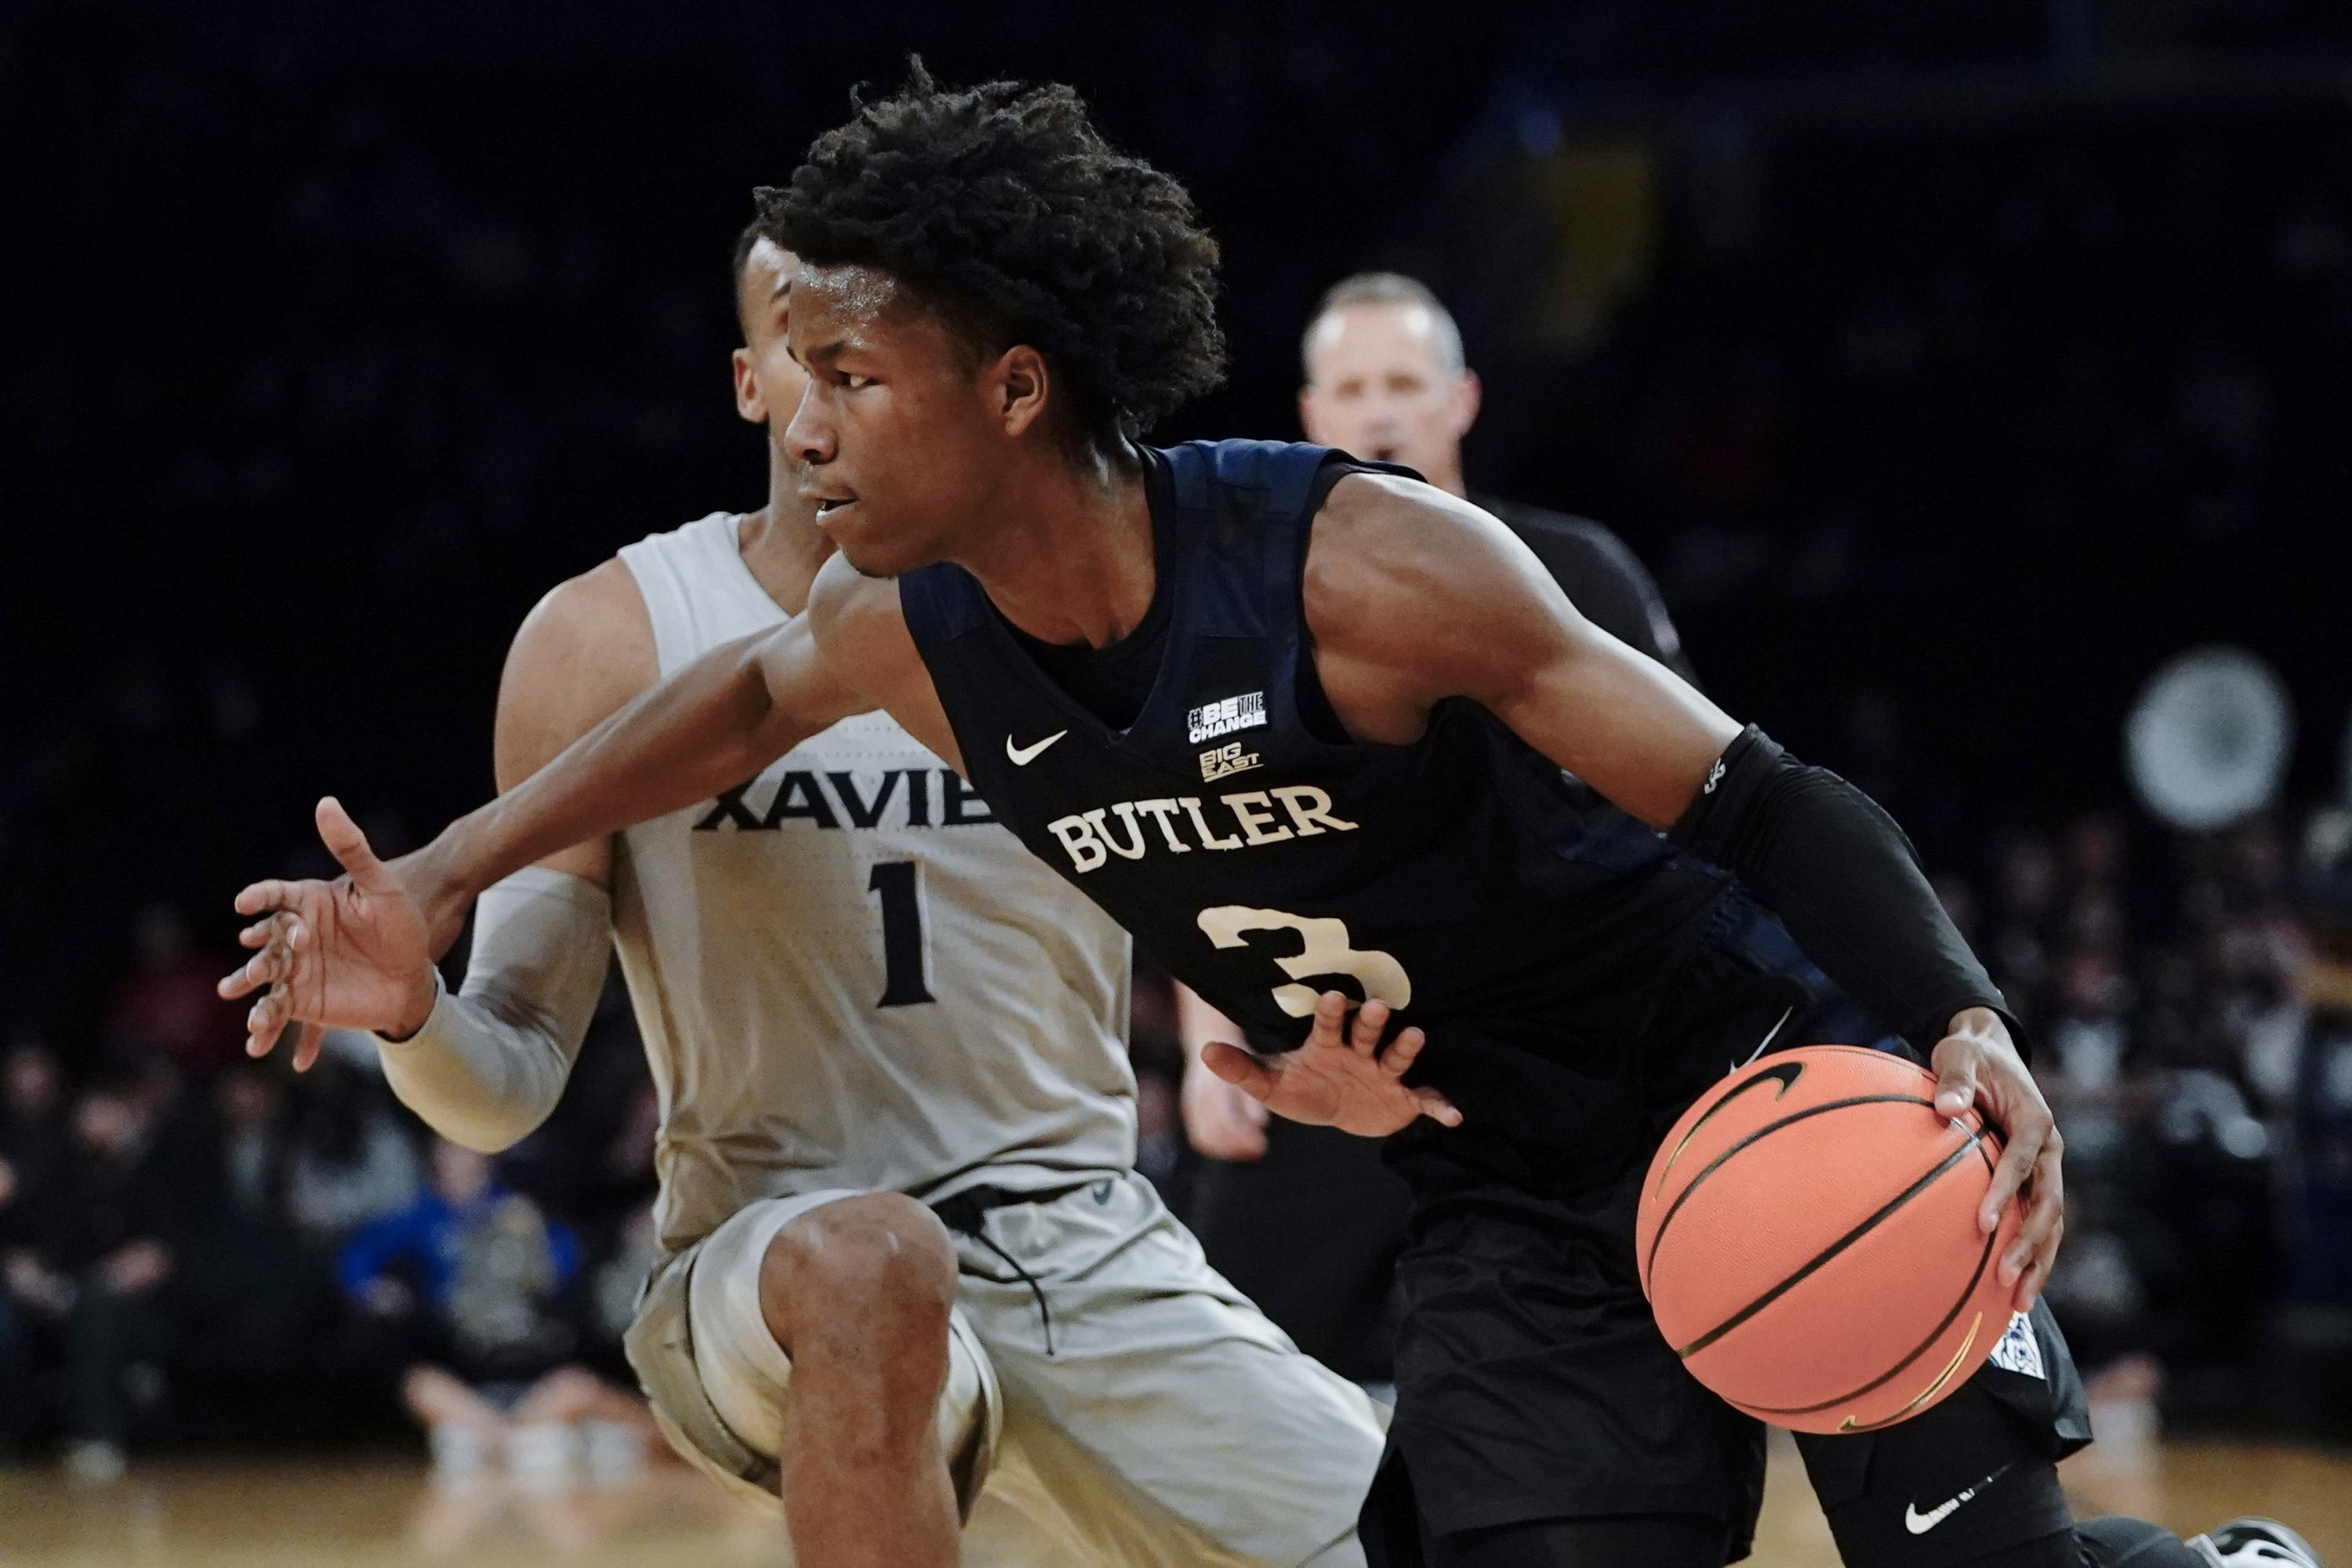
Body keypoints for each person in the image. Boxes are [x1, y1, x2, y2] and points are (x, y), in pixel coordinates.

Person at [223, 67, 2323, 1568]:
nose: (807, 420)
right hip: (1502, 1184)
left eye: (857, 374)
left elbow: (1762, 797)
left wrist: (1957, 1017)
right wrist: (436, 874)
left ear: (1014, 389)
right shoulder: (907, 633)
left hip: (1757, 1095)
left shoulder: (1363, 568)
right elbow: (716, 714)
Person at [227, 218, 1383, 1567]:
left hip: (1080, 1242)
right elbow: (512, 1079)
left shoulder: (1067, 601)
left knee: (1437, 1538)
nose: (843, 376)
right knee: (870, 1259)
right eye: (806, 343)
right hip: (768, 1266)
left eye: (883, 344)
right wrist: (414, 1016)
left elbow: (1230, 873)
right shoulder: (612, 633)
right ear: (749, 378)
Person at [1181, 270, 1700, 1389]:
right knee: (1241, 1390)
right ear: (1312, 415)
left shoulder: (1580, 573)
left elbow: (1690, 817)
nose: (1380, 412)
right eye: (1354, 387)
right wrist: (1199, 1038)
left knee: (1575, 1408)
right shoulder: (1240, 610)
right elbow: (1206, 831)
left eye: (1405, 383)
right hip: (1328, 1047)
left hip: (1552, 1067)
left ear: (1461, 399)